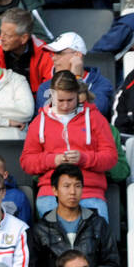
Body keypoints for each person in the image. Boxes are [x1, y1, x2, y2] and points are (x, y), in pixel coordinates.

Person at [20, 70, 118, 221]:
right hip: (52, 192)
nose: (65, 106)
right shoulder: (39, 122)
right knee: (55, 240)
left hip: (89, 190)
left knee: (95, 239)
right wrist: (53, 160)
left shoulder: (94, 118)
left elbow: (111, 157)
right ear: (51, 95)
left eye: (70, 100)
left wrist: (84, 158)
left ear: (77, 95)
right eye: (60, 100)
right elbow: (27, 162)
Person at [29, 170, 119, 267]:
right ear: (55, 190)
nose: (73, 191)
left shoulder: (98, 223)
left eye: (77, 186)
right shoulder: (41, 229)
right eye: (66, 186)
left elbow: (112, 263)